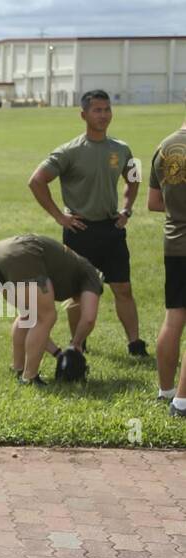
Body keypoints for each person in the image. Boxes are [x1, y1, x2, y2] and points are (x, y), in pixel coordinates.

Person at [28, 90, 146, 357]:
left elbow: (135, 177)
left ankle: (135, 344)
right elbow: (36, 180)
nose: (103, 115)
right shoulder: (69, 151)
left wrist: (126, 210)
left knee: (123, 288)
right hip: (79, 232)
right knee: (79, 294)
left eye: (107, 110)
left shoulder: (121, 148)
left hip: (111, 229)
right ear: (84, 115)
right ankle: (78, 345)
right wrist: (61, 217)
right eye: (97, 110)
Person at [0, 234, 103, 385]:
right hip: (25, 254)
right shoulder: (92, 275)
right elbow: (89, 318)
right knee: (46, 317)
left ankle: (18, 368)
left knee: (28, 316)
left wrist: (59, 354)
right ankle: (29, 377)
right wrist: (76, 344)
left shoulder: (71, 268)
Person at [148, 106, 186, 415]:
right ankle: (183, 402)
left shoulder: (165, 146)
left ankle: (165, 390)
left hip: (174, 244)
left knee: (174, 317)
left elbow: (154, 202)